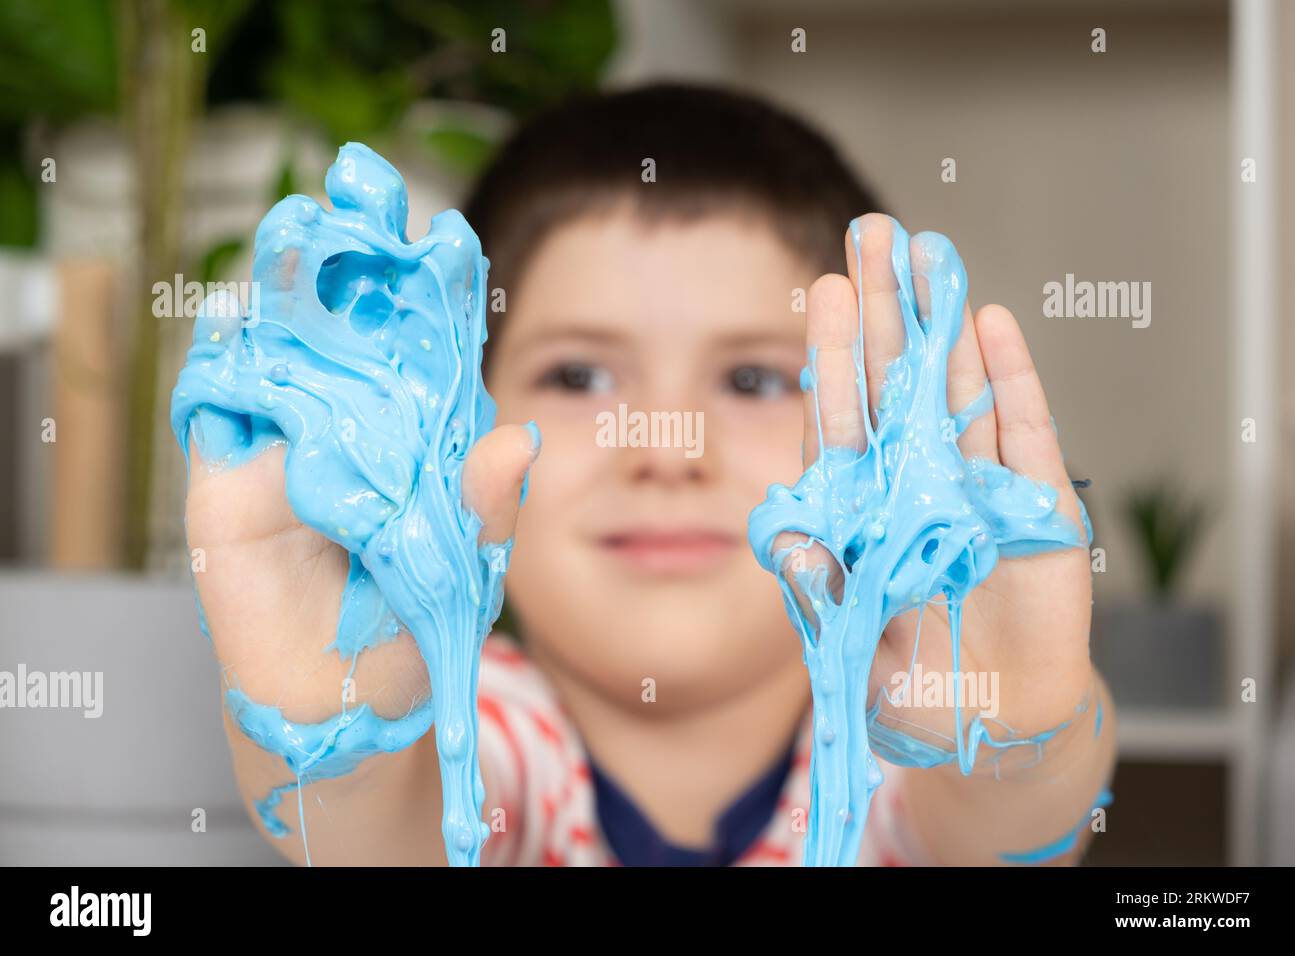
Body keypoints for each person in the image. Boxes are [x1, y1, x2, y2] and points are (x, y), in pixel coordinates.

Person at [183, 83, 1116, 866]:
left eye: (751, 378)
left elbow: (1000, 827)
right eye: (580, 376)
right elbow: (384, 836)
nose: (666, 447)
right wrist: (336, 732)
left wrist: (1013, 743)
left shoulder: (895, 752)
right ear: (460, 419)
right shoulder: (484, 722)